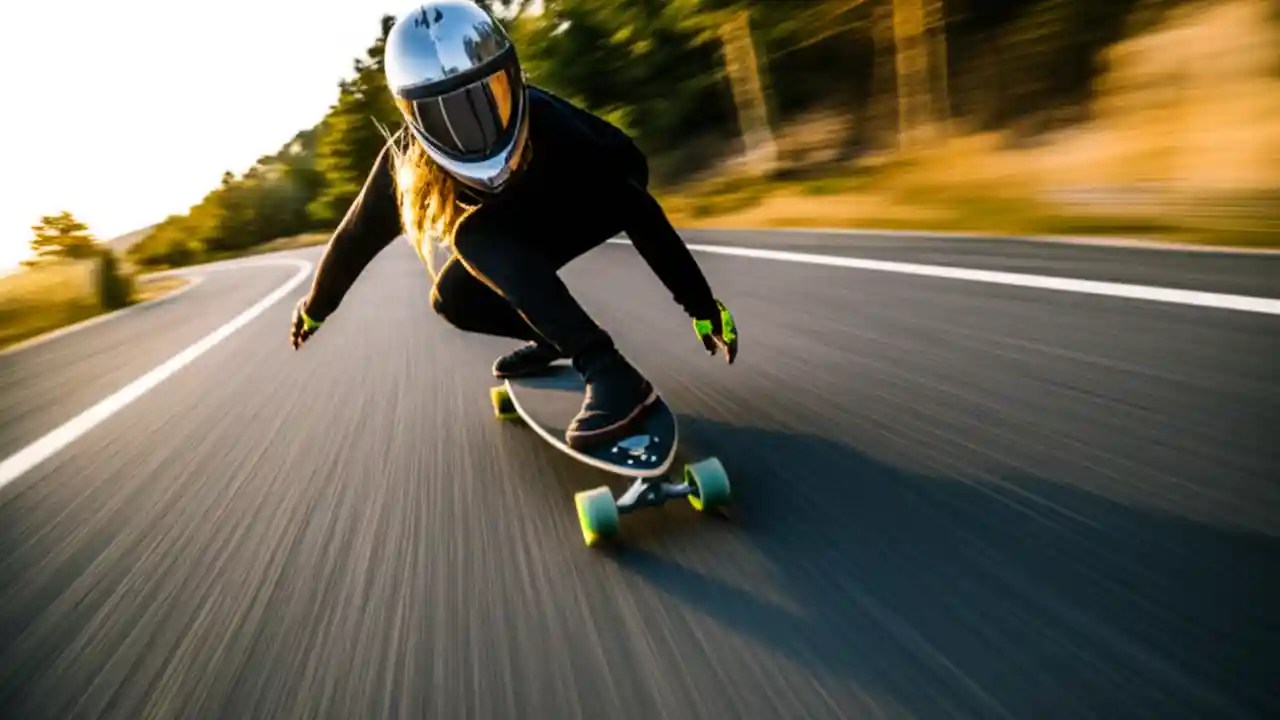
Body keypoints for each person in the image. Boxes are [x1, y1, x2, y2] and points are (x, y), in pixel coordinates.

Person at [289, 0, 738, 449]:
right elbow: (355, 238)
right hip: (520, 223)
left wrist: (701, 306)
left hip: (592, 196)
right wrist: (314, 309)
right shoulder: (406, 164)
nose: (474, 127)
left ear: (513, 75)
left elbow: (634, 206)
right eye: (443, 114)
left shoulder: (550, 123)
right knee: (453, 296)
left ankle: (610, 372)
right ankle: (554, 339)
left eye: (489, 97)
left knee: (471, 234)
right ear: (412, 116)